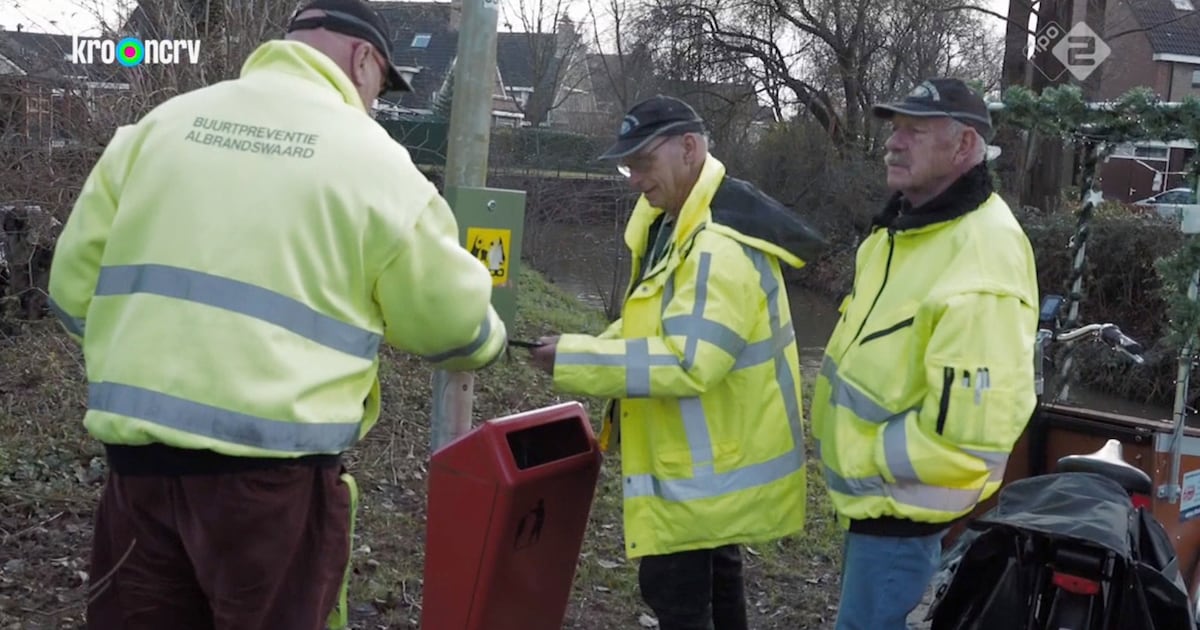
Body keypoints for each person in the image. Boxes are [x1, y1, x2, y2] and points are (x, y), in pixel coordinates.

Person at [46, 0, 507, 628]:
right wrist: (489, 340)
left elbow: (72, 291)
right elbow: (450, 323)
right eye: (379, 83)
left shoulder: (159, 128)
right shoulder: (374, 162)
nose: (372, 99)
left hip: (138, 476)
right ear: (363, 58)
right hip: (272, 492)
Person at [526, 95, 827, 630]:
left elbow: (688, 363)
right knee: (714, 588)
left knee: (678, 595)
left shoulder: (716, 245)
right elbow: (653, 326)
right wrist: (581, 343)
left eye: (643, 162)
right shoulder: (682, 225)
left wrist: (573, 359)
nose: (634, 179)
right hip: (707, 463)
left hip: (703, 469)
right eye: (629, 165)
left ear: (689, 148)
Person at [810, 77, 1039, 629]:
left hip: (899, 518)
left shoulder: (982, 258)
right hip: (874, 511)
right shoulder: (900, 231)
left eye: (915, 131)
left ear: (963, 147)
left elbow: (966, 441)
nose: (894, 142)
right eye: (895, 129)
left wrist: (859, 463)